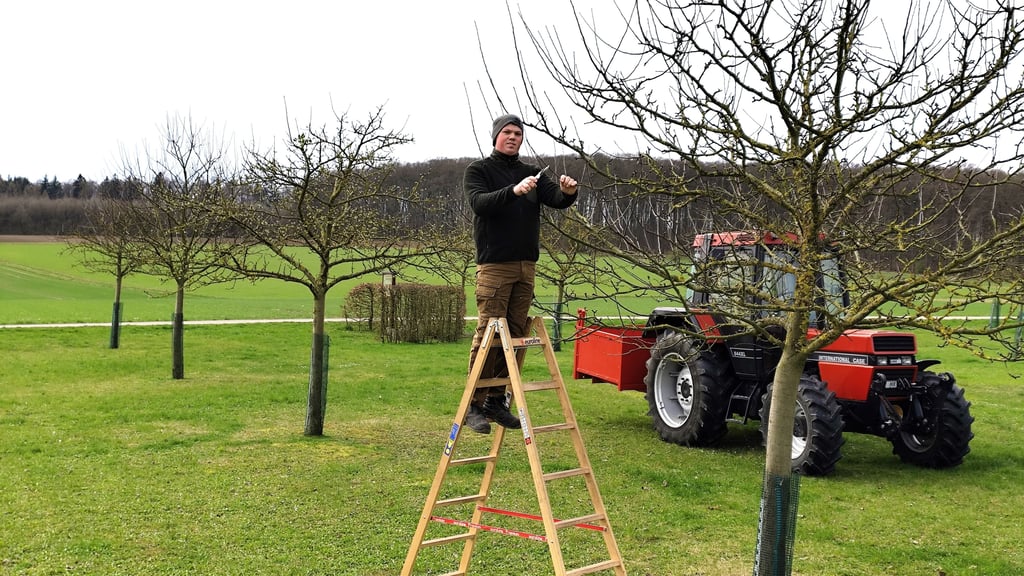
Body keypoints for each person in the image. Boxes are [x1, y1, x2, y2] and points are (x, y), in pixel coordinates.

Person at [461, 113, 579, 434]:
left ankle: (496, 401)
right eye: (507, 132)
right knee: (489, 334)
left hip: (527, 266)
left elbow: (555, 199)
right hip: (495, 265)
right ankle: (473, 403)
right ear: (496, 136)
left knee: (513, 336)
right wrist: (513, 192)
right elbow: (479, 204)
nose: (513, 137)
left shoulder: (531, 173)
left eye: (518, 133)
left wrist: (568, 192)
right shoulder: (479, 170)